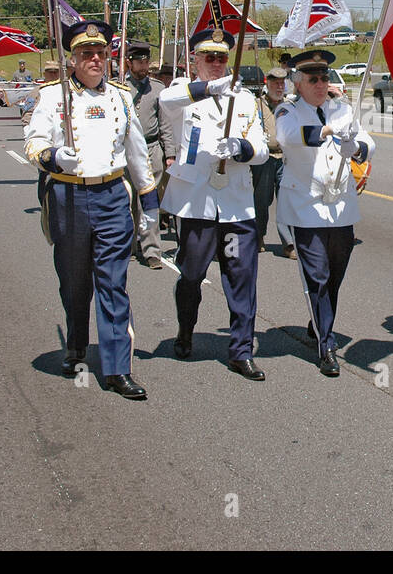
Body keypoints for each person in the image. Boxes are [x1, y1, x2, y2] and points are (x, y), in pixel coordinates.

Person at [24, 19, 158, 400]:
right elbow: (32, 142)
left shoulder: (120, 96)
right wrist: (52, 156)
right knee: (75, 281)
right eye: (86, 54)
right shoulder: (54, 97)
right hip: (69, 198)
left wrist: (149, 202)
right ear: (73, 59)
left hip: (113, 196)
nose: (95, 59)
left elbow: (136, 153)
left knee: (113, 284)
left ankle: (117, 367)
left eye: (100, 53)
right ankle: (77, 344)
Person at [157, 29, 269, 380]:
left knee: (241, 277)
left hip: (236, 204)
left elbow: (263, 150)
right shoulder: (182, 93)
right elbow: (167, 103)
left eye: (222, 58)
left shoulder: (246, 100)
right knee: (191, 274)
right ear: (195, 59)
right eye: (210, 57)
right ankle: (186, 328)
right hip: (197, 205)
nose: (218, 64)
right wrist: (209, 89)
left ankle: (240, 350)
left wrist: (241, 148)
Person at [275, 50, 376, 375]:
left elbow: (368, 141)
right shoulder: (287, 110)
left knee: (334, 275)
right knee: (316, 276)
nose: (321, 84)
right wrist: (329, 131)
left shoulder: (342, 109)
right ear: (299, 83)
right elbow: (288, 137)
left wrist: (356, 147)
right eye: (313, 79)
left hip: (341, 207)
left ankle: (319, 320)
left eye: (324, 78)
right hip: (307, 207)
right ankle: (325, 345)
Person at [124, 40, 168, 269]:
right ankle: (130, 246)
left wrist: (169, 153)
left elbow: (166, 125)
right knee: (128, 200)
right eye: (138, 61)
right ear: (128, 62)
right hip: (127, 151)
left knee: (150, 202)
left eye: (146, 61)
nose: (143, 66)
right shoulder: (118, 89)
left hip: (151, 149)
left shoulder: (158, 88)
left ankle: (151, 250)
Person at [252, 66, 296, 257]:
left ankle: (289, 243)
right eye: (275, 83)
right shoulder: (256, 105)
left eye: (282, 83)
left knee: (286, 201)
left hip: (285, 159)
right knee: (262, 200)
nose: (279, 86)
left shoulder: (289, 106)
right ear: (267, 84)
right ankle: (259, 235)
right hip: (264, 159)